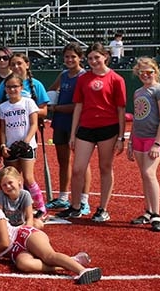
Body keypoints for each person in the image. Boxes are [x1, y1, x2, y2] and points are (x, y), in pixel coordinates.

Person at [0, 185, 101, 285]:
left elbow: (4, 242)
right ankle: (70, 262)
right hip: (14, 251)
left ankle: (82, 270)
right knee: (24, 265)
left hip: (23, 235)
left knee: (48, 256)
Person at [57, 42, 126, 222]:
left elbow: (120, 110)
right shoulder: (83, 79)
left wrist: (120, 136)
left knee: (105, 167)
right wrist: (72, 134)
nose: (94, 61)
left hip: (108, 129)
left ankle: (103, 208)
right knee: (78, 169)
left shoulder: (116, 79)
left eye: (97, 57)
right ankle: (75, 206)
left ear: (105, 57)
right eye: (90, 58)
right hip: (86, 128)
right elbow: (78, 106)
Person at [46, 43, 91, 214]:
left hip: (78, 124)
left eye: (73, 56)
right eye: (67, 57)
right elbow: (51, 90)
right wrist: (51, 102)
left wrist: (55, 108)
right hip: (60, 123)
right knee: (63, 161)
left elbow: (78, 105)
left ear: (80, 58)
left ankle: (83, 200)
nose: (70, 59)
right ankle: (63, 198)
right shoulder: (63, 75)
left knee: (82, 163)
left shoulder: (84, 76)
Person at [0, 73, 47, 216]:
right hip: (11, 147)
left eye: (15, 86)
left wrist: (26, 142)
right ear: (5, 89)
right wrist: (2, 145)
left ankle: (41, 208)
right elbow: (3, 129)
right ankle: (14, 208)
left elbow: (33, 124)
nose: (12, 90)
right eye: (9, 87)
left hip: (27, 146)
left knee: (28, 178)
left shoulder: (28, 102)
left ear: (21, 87)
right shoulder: (3, 107)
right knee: (12, 179)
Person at [128, 57, 160, 231]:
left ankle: (157, 214)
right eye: (141, 72)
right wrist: (130, 141)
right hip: (138, 138)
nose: (145, 75)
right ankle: (148, 211)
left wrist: (157, 143)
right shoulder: (137, 92)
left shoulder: (159, 90)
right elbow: (136, 118)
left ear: (155, 72)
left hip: (152, 138)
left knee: (150, 173)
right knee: (144, 175)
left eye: (148, 72)